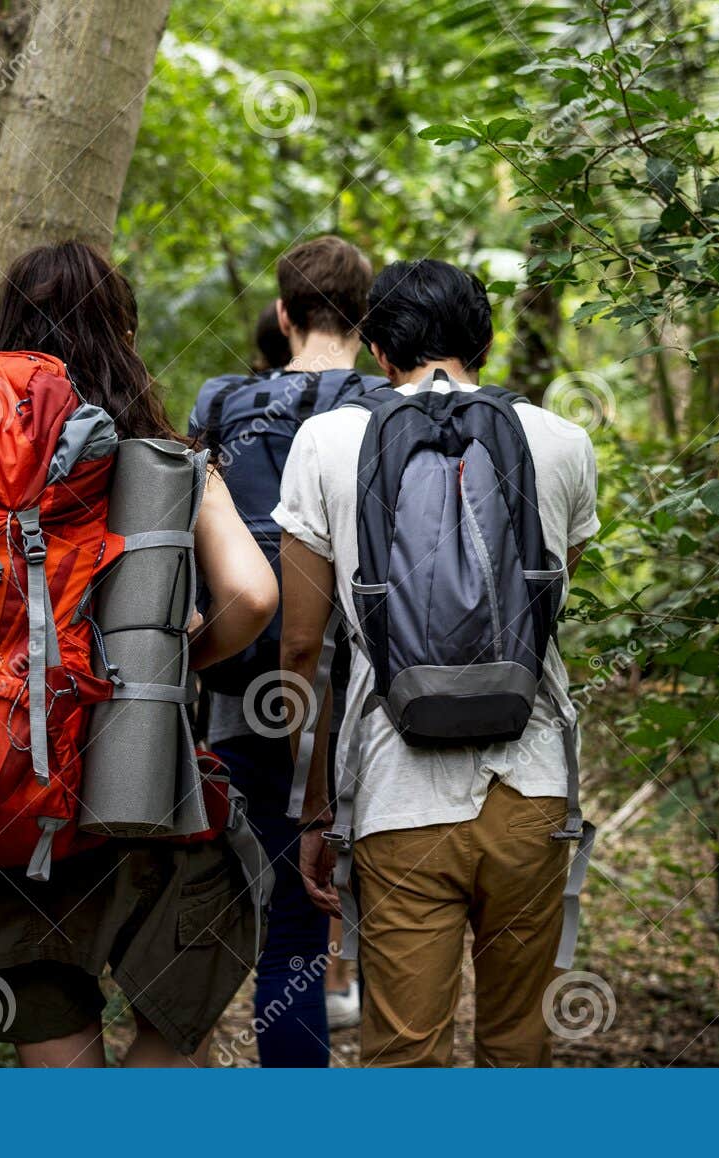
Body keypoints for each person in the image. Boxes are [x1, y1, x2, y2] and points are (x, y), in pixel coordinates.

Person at [0, 241, 278, 1068]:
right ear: (124, 336)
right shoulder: (166, 460)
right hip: (140, 794)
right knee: (205, 954)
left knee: (56, 1063)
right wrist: (171, 669)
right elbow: (253, 595)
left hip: (5, 801)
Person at [277, 258, 600, 1067]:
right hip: (531, 786)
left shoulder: (326, 441)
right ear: (484, 343)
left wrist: (316, 810)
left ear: (378, 349)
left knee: (405, 1058)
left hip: (396, 792)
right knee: (514, 1046)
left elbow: (302, 648)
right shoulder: (563, 442)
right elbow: (544, 612)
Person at [189, 235, 382, 1067]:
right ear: (369, 321)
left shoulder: (225, 404)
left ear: (282, 313)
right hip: (366, 712)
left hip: (241, 694)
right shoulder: (390, 408)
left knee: (283, 934)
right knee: (343, 924)